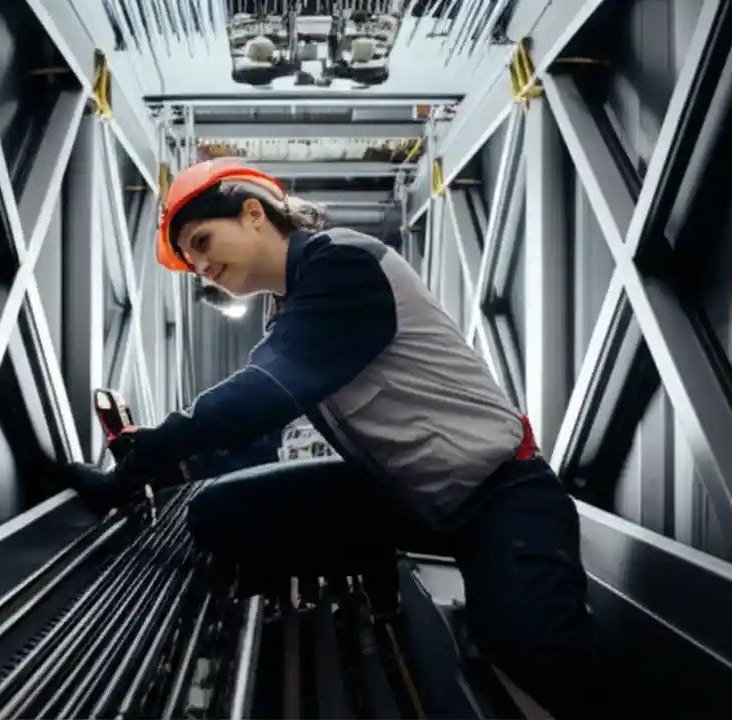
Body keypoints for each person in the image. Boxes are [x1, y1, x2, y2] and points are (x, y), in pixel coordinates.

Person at [59, 159, 607, 717]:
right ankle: (366, 581)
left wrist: (149, 452)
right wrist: (168, 470)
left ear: (253, 214)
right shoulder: (291, 309)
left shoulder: (344, 263)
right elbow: (271, 434)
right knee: (216, 516)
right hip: (408, 498)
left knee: (528, 646)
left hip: (500, 494)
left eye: (201, 242)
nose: (201, 267)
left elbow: (264, 393)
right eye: (190, 262)